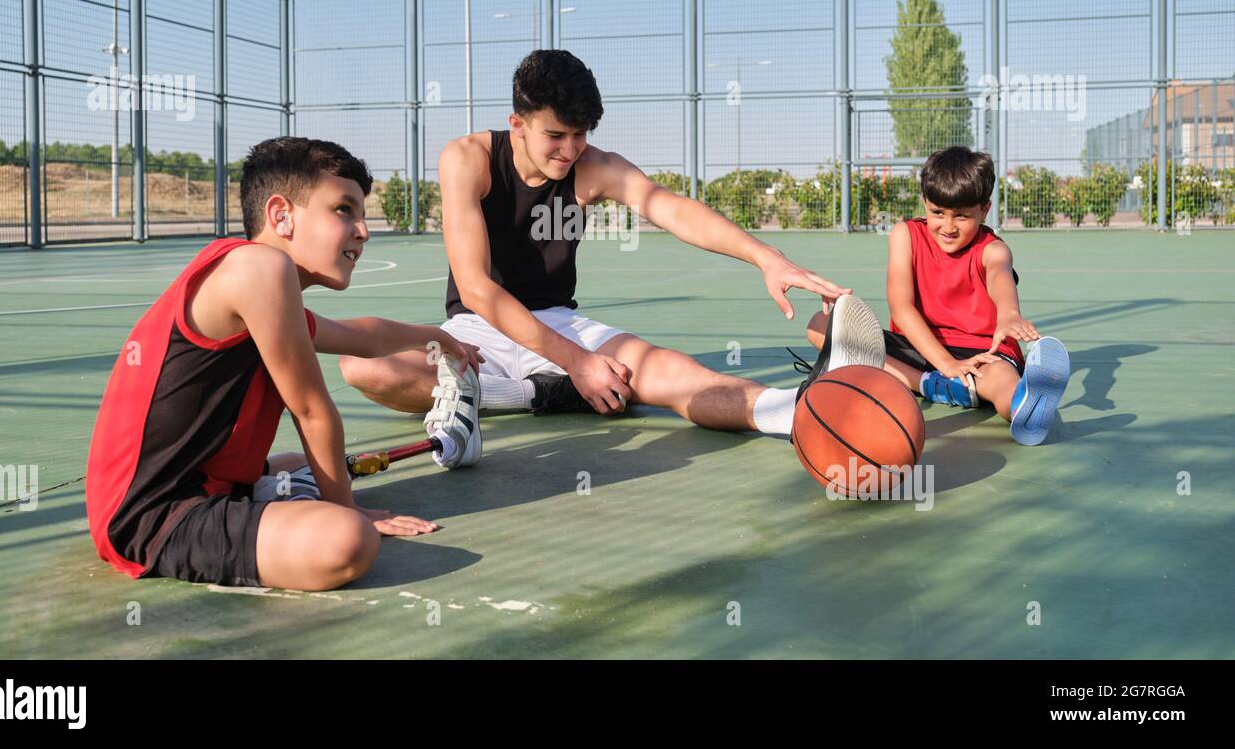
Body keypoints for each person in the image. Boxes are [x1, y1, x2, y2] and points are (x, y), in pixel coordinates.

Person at [340, 49, 887, 460]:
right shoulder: (467, 159)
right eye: (556, 134)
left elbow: (670, 208)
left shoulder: (593, 166)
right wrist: (576, 366)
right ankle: (541, 396)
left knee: (671, 373)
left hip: (557, 321)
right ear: (517, 124)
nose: (570, 149)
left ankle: (799, 411)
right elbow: (478, 289)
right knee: (365, 366)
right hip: (477, 326)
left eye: (581, 134)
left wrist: (765, 256)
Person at [85, 137, 482, 590]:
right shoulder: (258, 269)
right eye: (343, 209)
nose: (363, 230)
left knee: (300, 464)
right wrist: (347, 508)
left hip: (201, 484)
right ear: (281, 215)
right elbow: (311, 410)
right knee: (346, 542)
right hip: (152, 515)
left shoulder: (260, 282)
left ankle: (265, 498)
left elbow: (360, 335)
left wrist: (438, 336)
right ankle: (306, 512)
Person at [805, 145, 1070, 445]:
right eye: (937, 213)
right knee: (820, 326)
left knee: (1000, 380)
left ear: (984, 210)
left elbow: (999, 276)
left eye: (961, 216)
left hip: (981, 352)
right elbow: (901, 308)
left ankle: (1024, 405)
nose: (948, 226)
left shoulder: (993, 249)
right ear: (924, 203)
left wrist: (1009, 314)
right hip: (920, 349)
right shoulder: (905, 235)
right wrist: (946, 365)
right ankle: (934, 385)